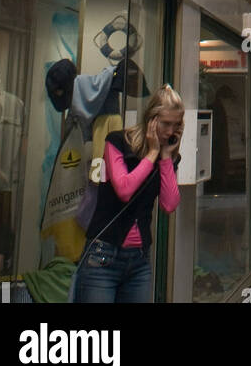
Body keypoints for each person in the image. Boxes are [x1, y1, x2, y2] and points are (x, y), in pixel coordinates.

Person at [73, 83, 182, 303]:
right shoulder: (117, 142)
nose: (170, 132)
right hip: (103, 256)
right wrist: (152, 153)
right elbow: (124, 189)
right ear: (151, 120)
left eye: (177, 125)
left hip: (139, 261)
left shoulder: (167, 159)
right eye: (165, 124)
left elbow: (169, 204)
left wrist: (166, 158)